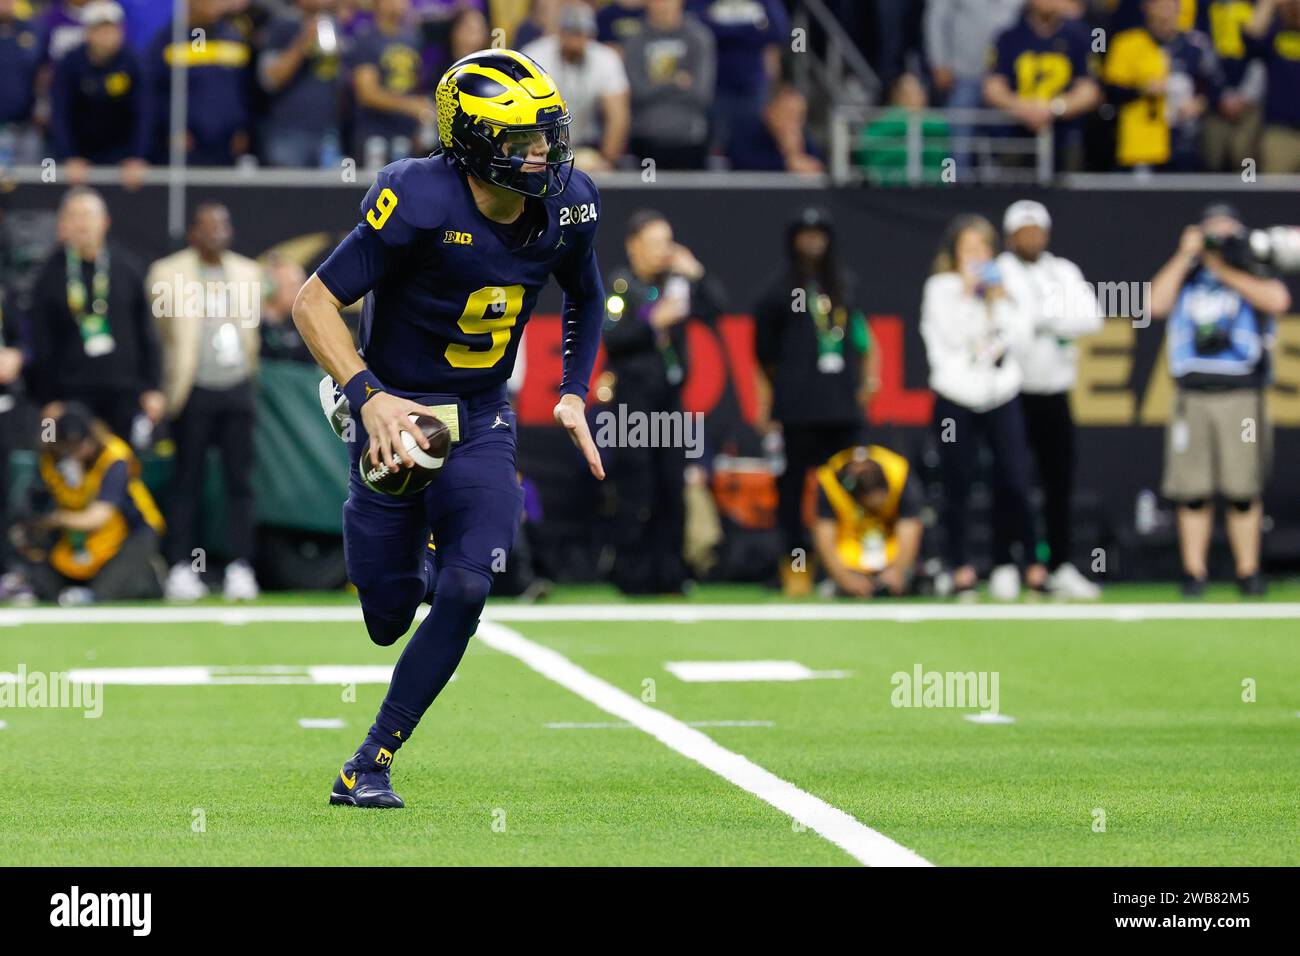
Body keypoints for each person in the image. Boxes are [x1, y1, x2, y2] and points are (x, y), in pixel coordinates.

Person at [292, 49, 605, 809]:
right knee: (386, 616)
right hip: (395, 413)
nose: (543, 153)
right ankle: (411, 562)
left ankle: (370, 760)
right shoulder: (419, 198)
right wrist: (366, 396)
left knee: (472, 582)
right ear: (472, 141)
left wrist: (571, 392)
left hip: (483, 415)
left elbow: (586, 299)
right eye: (523, 139)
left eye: (548, 135)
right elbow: (311, 302)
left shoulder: (569, 206)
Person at [1150, 203, 1289, 596]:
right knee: (1192, 491)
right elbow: (1155, 304)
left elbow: (1277, 300)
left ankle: (1248, 571)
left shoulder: (1251, 268)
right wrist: (1186, 255)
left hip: (1241, 393)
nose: (1218, 242)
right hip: (1192, 394)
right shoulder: (1188, 274)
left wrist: (1227, 267)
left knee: (1243, 489)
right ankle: (1194, 573)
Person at [921, 214, 1044, 599]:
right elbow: (953, 336)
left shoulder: (1006, 290)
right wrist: (969, 293)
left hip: (1001, 393)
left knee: (1014, 477)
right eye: (968, 248)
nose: (976, 255)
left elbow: (1021, 342)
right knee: (957, 479)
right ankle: (959, 565)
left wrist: (998, 301)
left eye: (982, 248)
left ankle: (1020, 562)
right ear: (954, 253)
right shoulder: (941, 288)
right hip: (956, 394)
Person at [754, 207, 876, 595]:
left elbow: (862, 338)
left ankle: (847, 563)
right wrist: (770, 401)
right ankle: (796, 565)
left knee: (849, 487)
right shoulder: (776, 291)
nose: (813, 243)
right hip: (796, 408)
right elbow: (763, 356)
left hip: (840, 407)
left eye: (819, 235)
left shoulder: (845, 285)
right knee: (791, 491)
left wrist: (869, 382)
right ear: (793, 241)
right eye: (805, 235)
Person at [146, 203, 262, 602]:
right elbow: (158, 334)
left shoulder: (249, 272)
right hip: (192, 389)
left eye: (223, 224)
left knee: (239, 484)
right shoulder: (167, 272)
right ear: (192, 232)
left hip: (237, 386)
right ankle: (181, 566)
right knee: (187, 482)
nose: (217, 232)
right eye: (208, 226)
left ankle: (241, 566)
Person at [602, 209, 717, 594]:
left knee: (673, 484)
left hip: (670, 402)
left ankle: (671, 573)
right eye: (654, 244)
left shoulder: (676, 284)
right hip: (633, 405)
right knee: (639, 487)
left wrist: (695, 273)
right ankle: (633, 573)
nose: (662, 253)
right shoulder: (621, 285)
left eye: (666, 244)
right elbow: (612, 336)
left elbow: (717, 308)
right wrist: (654, 322)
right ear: (634, 247)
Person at [996, 200, 1102, 599]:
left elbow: (1090, 318)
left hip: (1055, 391)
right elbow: (1008, 330)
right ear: (1010, 237)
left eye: (1037, 230)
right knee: (1011, 480)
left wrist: (1043, 320)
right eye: (1023, 231)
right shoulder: (999, 272)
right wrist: (1042, 321)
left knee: (1059, 482)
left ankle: (1059, 564)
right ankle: (1008, 562)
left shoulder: (1063, 271)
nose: (1031, 237)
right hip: (1011, 391)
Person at [25, 188, 164, 441]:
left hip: (124, 390)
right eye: (74, 216)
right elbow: (40, 341)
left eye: (88, 215)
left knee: (121, 469)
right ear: (62, 224)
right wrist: (47, 399)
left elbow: (146, 332)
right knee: (73, 468)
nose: (82, 224)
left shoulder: (129, 268)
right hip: (70, 395)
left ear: (105, 222)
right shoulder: (48, 276)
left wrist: (152, 388)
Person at [8, 402, 165, 605]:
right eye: (67, 447)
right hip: (80, 536)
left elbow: (98, 516)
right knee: (48, 588)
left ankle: (147, 576)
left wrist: (56, 520)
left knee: (103, 594)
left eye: (78, 446)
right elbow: (34, 503)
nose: (73, 454)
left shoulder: (114, 455)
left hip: (131, 533)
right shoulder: (50, 457)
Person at [1101, 0, 1222, 171]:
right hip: (1141, 143)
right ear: (1146, 7)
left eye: (1170, 5)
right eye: (1158, 4)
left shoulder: (1196, 44)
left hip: (1186, 141)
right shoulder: (1127, 43)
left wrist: (1199, 104)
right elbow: (1110, 91)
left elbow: (1215, 86)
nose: (1164, 11)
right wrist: (1142, 88)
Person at [983, 0, 1102, 172]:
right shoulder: (1008, 37)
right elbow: (993, 88)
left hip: (1064, 135)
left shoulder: (1080, 37)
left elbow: (1090, 90)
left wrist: (1054, 108)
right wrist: (1023, 108)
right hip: (1017, 133)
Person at [49, 1, 150, 187]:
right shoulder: (69, 63)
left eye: (111, 29)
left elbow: (144, 113)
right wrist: (69, 155)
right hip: (81, 151)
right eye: (99, 29)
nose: (106, 35)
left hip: (121, 154)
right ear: (87, 32)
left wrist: (137, 156)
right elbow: (60, 112)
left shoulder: (133, 63)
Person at [522, 2, 630, 172]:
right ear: (559, 32)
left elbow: (617, 116)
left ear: (591, 34)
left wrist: (607, 159)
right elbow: (524, 113)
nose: (575, 40)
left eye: (580, 34)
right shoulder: (535, 56)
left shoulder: (607, 59)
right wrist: (537, 156)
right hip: (545, 143)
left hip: (590, 146)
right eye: (570, 33)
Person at [146, 0, 254, 166]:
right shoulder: (167, 40)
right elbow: (152, 93)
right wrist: (167, 130)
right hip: (186, 147)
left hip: (227, 145)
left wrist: (242, 127)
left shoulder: (233, 37)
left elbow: (243, 87)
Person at [812, 444, 923, 598]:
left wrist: (898, 571)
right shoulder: (829, 480)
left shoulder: (899, 471)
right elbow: (824, 536)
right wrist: (845, 579)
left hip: (890, 552)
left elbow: (910, 527)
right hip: (850, 554)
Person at [623, 0, 716, 170]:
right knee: (647, 195)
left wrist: (655, 84)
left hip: (690, 139)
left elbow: (701, 93)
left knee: (689, 196)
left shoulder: (699, 37)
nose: (664, 5)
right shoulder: (635, 40)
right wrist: (675, 82)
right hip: (646, 138)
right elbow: (636, 92)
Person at [688, 0, 787, 154]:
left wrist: (723, 30)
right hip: (714, 89)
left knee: (751, 149)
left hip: (752, 89)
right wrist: (753, 30)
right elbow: (696, 26)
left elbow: (779, 31)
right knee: (715, 151)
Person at [259, 0, 345, 168]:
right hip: (290, 132)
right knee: (289, 192)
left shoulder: (333, 25)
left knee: (330, 194)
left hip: (329, 133)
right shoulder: (284, 25)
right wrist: (303, 41)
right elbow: (270, 79)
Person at [348, 0, 431, 168]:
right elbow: (366, 94)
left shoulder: (413, 38)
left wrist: (419, 122)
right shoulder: (366, 39)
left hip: (405, 134)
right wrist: (410, 107)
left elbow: (416, 87)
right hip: (375, 135)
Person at [1244, 0, 1300, 174]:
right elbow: (1251, 37)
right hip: (1281, 131)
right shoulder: (1277, 31)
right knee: (1276, 195)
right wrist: (1269, 4)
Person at [726, 81, 823, 173]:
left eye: (799, 116)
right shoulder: (746, 129)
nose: (794, 121)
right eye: (788, 114)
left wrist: (795, 152)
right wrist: (787, 162)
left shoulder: (802, 135)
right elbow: (742, 162)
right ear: (769, 111)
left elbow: (815, 165)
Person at [0, 0, 48, 168]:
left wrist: (43, 106)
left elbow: (44, 71)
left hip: (26, 126)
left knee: (31, 185)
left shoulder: (33, 31)